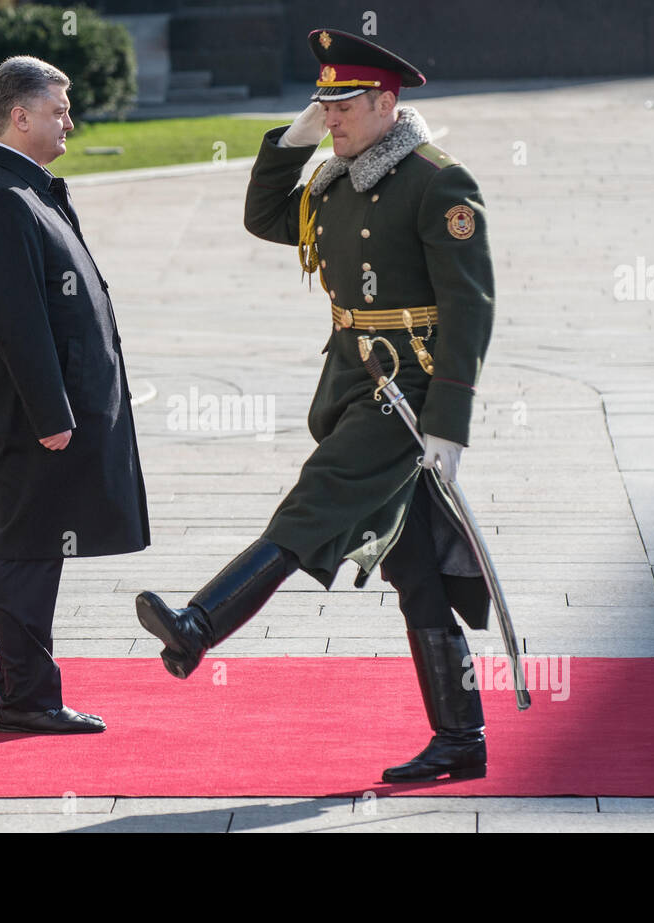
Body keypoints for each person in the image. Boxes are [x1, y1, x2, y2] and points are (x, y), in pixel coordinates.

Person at [136, 29, 497, 782]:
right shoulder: (335, 178)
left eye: (342, 106)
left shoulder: (438, 182)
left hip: (407, 395)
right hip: (349, 383)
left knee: (316, 501)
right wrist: (289, 142)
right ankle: (461, 737)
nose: (328, 118)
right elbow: (265, 216)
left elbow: (471, 309)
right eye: (321, 105)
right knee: (418, 568)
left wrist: (448, 425)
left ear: (386, 103)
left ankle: (200, 624)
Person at [0, 56, 149, 734]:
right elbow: (18, 321)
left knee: (34, 550)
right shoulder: (4, 197)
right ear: (20, 115)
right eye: (60, 109)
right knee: (27, 551)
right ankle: (27, 697)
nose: (71, 121)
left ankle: (25, 691)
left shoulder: (22, 187)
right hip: (28, 416)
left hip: (37, 412)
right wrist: (52, 414)